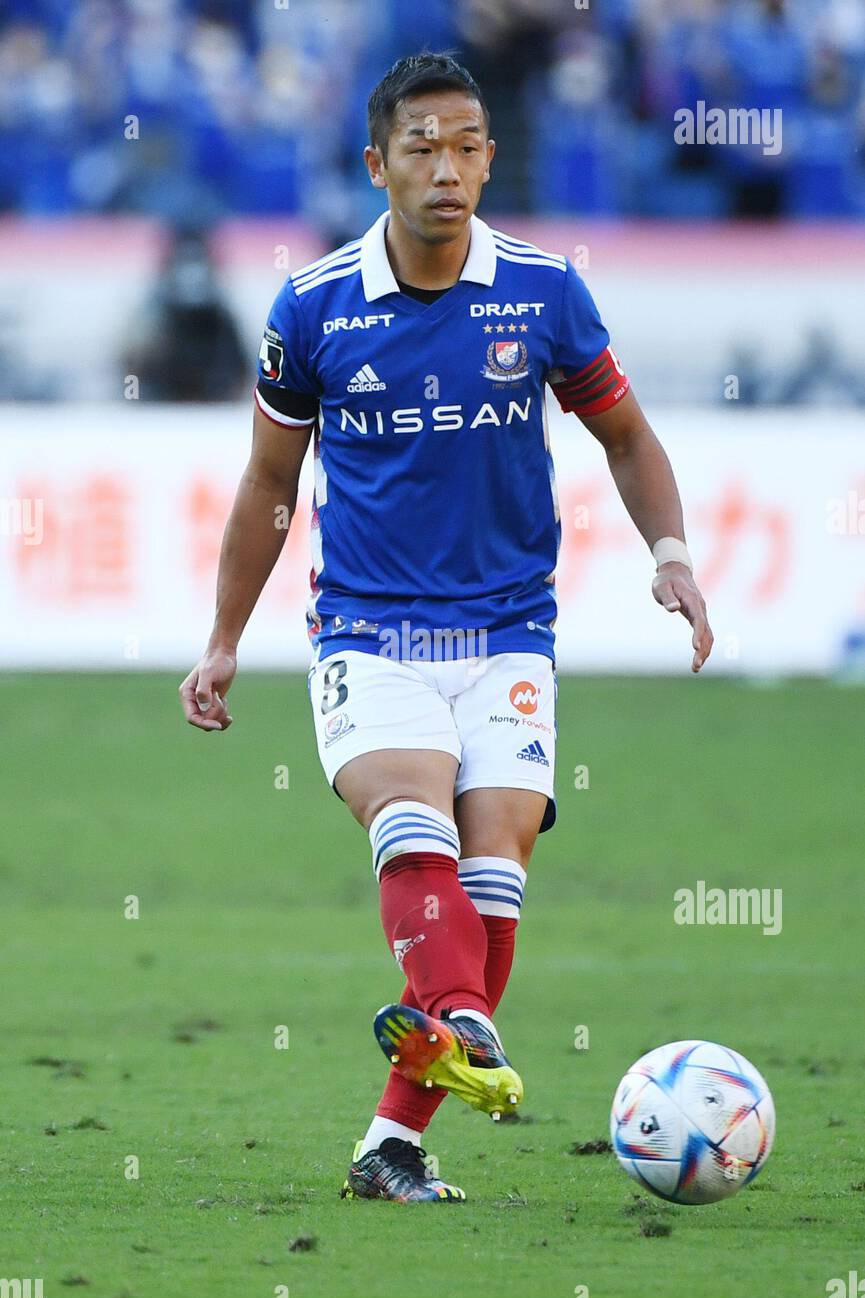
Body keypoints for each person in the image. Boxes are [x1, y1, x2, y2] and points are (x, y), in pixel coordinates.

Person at [179, 52, 713, 1204]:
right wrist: (223, 639)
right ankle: (461, 1013)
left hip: (511, 627)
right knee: (410, 816)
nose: (447, 168)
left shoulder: (545, 293)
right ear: (376, 166)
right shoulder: (312, 306)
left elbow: (626, 437)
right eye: (420, 146)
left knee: (497, 870)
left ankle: (393, 1143)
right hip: (369, 632)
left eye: (467, 144)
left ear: (489, 158)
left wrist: (669, 559)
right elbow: (270, 481)